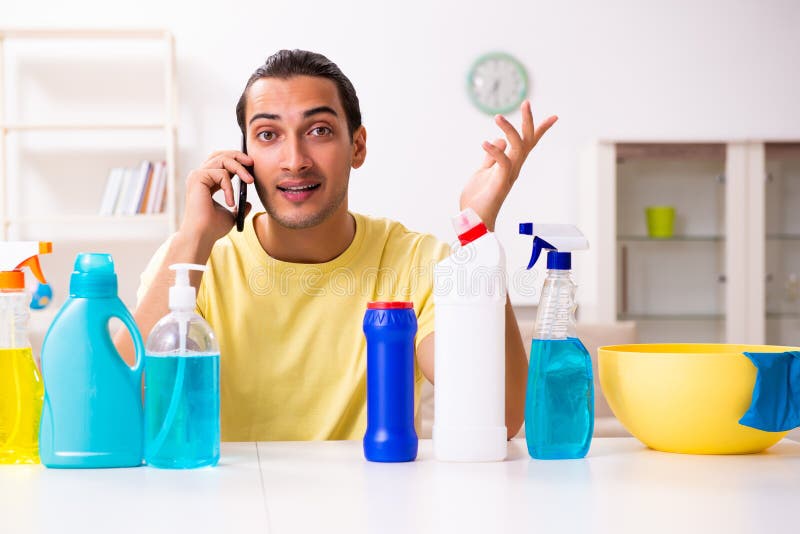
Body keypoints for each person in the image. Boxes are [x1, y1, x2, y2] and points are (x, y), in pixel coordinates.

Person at [117, 49, 557, 442]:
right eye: (269, 135)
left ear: (357, 146)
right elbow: (118, 400)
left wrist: (476, 234)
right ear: (244, 154)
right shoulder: (195, 259)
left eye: (320, 130)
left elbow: (500, 414)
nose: (294, 159)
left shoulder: (417, 261)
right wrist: (193, 237)